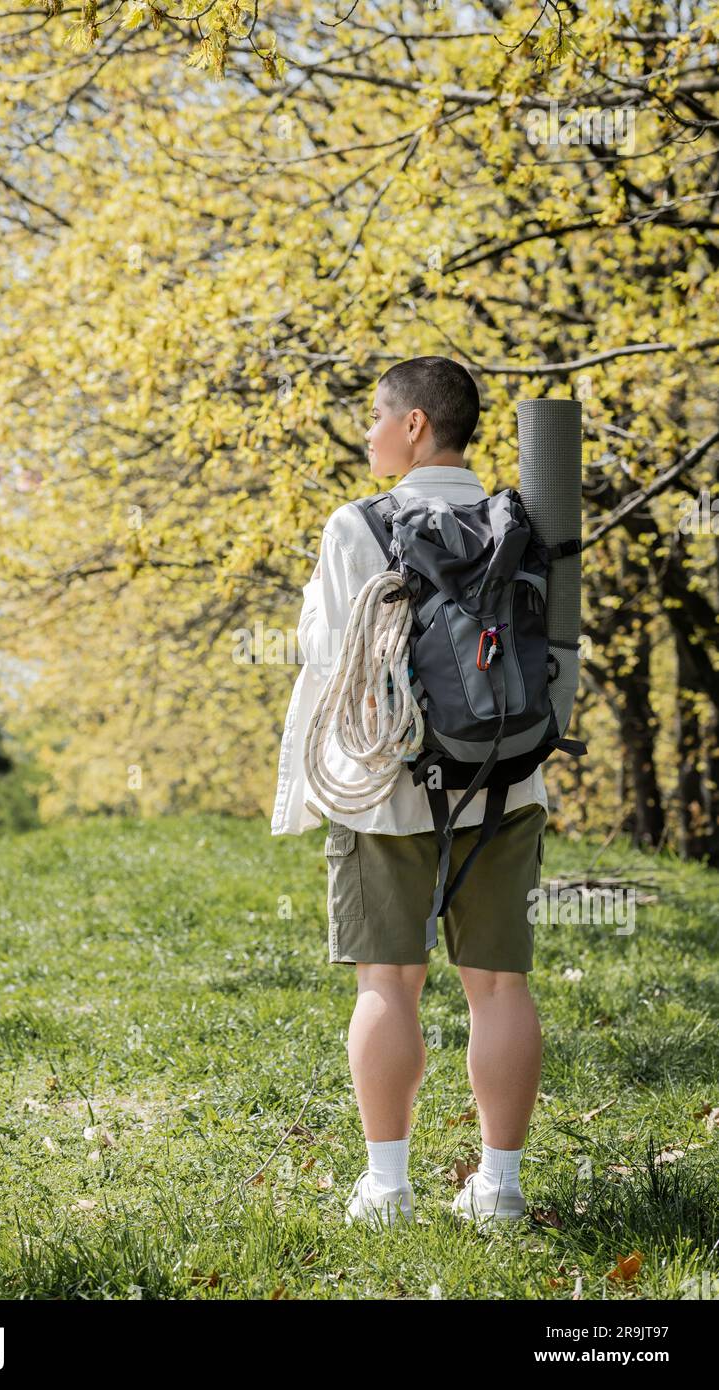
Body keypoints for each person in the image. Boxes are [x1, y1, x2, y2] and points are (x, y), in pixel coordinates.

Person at [271, 356, 548, 1229]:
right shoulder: (526, 520)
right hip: (505, 782)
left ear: (417, 425)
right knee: (498, 987)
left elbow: (331, 660)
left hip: (387, 788)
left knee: (386, 984)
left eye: (377, 416)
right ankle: (498, 1189)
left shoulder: (360, 524)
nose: (369, 432)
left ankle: (387, 1189)